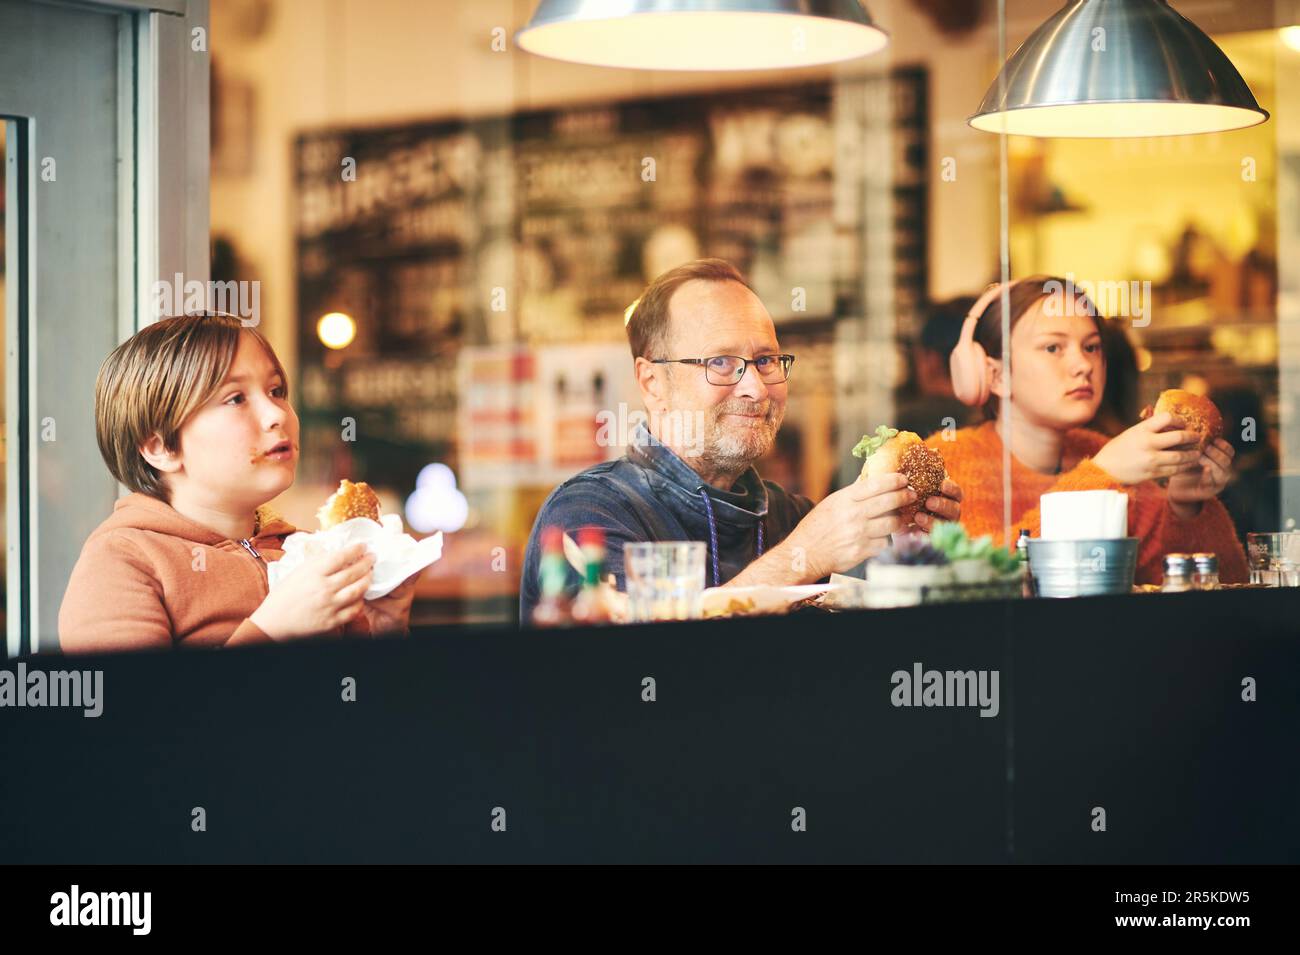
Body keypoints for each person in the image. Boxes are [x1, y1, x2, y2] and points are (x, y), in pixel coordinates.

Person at [519, 258, 963, 622]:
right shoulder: (588, 515)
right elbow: (635, 681)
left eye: (766, 359)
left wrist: (915, 555)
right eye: (721, 362)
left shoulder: (790, 515)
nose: (755, 387)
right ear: (652, 382)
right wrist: (801, 557)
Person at [59, 313, 417, 652]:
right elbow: (134, 713)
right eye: (236, 399)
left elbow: (362, 710)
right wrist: (273, 631)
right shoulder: (123, 561)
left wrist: (383, 632)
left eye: (276, 391)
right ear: (160, 446)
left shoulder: (306, 551)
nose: (277, 414)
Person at [933, 277, 1247, 584]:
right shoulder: (948, 462)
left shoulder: (1104, 451)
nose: (1083, 364)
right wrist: (1100, 475)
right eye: (1053, 347)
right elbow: (989, 580)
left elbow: (1223, 587)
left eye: (1092, 347)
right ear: (995, 375)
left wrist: (1187, 505)